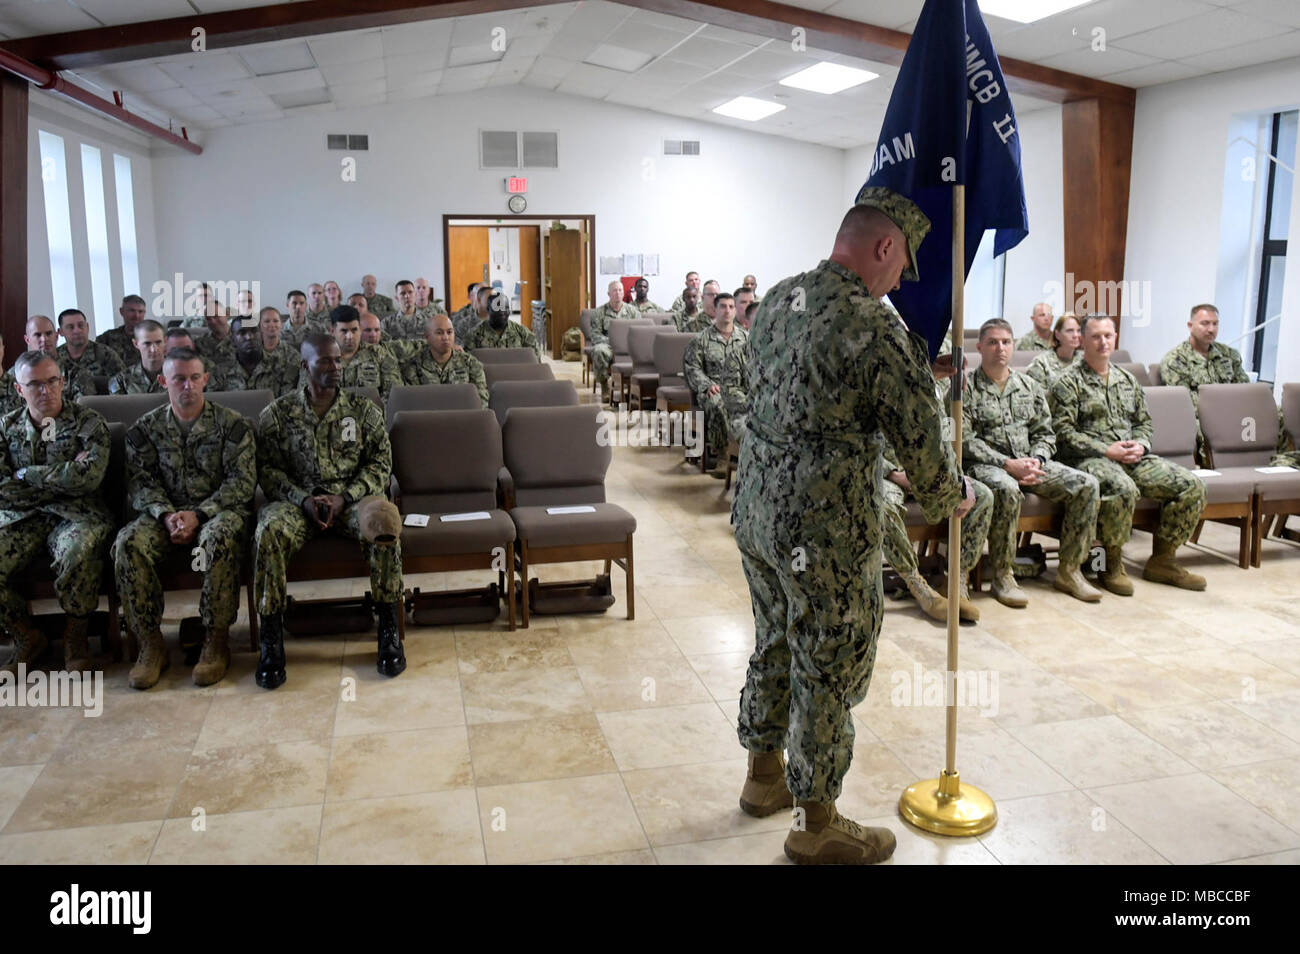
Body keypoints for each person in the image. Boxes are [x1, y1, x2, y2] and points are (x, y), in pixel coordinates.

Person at [734, 187, 972, 864]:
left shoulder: (777, 299)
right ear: (884, 247)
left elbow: (765, 393)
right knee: (829, 663)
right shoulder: (876, 329)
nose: (901, 281)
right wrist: (950, 493)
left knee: (774, 639)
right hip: (828, 534)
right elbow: (923, 448)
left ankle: (763, 776)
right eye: (902, 268)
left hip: (758, 514)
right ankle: (817, 822)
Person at [253, 334, 405, 688]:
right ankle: (271, 639)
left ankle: (388, 629)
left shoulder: (363, 410)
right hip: (299, 503)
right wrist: (303, 499)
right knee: (268, 532)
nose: (335, 367)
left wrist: (345, 497)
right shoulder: (277, 415)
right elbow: (268, 471)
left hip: (351, 502)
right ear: (305, 366)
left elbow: (381, 463)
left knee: (384, 521)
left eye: (338, 360)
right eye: (325, 361)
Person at [113, 347, 256, 689]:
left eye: (195, 378)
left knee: (219, 538)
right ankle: (150, 643)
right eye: (179, 379)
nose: (188, 386)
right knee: (128, 543)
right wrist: (166, 515)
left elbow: (242, 483)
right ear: (163, 381)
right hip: (164, 514)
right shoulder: (144, 430)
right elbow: (140, 483)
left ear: (206, 379)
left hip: (216, 512)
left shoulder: (232, 425)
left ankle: (215, 638)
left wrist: (199, 514)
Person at [1050, 314, 1207, 593]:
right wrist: (1105, 449)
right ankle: (1110, 565)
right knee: (1123, 488)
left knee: (1191, 484)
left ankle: (1163, 560)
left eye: (1108, 336)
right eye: (1096, 336)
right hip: (1089, 459)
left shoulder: (1126, 379)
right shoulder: (1068, 382)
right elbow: (1063, 433)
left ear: (1115, 339)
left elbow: (1143, 422)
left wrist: (1142, 444)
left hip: (1131, 456)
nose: (1103, 342)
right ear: (1083, 340)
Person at [964, 318, 1102, 605]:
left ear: (1013, 346)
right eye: (992, 342)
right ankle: (1003, 576)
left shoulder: (1029, 385)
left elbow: (1046, 434)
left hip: (1029, 462)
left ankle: (1070, 570)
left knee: (1086, 484)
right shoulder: (966, 388)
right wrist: (1007, 464)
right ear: (979, 347)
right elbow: (965, 441)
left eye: (1005, 342)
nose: (1000, 348)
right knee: (1007, 489)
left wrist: (1037, 460)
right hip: (988, 466)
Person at [0, 350, 114, 674]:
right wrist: (63, 474)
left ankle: (75, 637)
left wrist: (25, 474)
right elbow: (0, 487)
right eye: (34, 384)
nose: (45, 391)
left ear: (63, 382)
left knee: (77, 550)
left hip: (78, 513)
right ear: (19, 389)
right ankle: (25, 635)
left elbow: (89, 478)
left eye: (52, 381)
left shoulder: (88, 423)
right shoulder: (5, 428)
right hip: (22, 515)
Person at [877, 431, 991, 622]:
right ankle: (917, 585)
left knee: (982, 495)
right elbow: (863, 447)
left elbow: (946, 440)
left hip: (929, 474)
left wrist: (955, 476)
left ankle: (956, 581)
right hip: (890, 476)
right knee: (884, 505)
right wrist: (893, 474)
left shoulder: (934, 400)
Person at [683, 292, 749, 477]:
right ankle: (723, 455)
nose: (727, 311)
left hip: (739, 389)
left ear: (735, 310)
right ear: (715, 309)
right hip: (713, 390)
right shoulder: (701, 339)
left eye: (730, 306)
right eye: (723, 306)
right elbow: (692, 368)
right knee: (719, 404)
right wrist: (706, 385)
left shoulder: (745, 338)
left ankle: (748, 455)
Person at [392, 313, 489, 405]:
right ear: (427, 337)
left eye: (449, 332)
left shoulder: (470, 363)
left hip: (462, 417)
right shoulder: (415, 366)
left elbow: (481, 400)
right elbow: (413, 402)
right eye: (439, 333)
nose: (446, 337)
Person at [308, 305, 401, 398]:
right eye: (344, 331)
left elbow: (394, 394)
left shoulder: (378, 354)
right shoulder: (318, 358)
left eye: (354, 330)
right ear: (332, 331)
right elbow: (307, 395)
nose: (350, 336)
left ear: (360, 329)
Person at [17, 315, 97, 399]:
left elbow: (85, 407)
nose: (44, 339)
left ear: (56, 336)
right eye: (38, 335)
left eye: (49, 334)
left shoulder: (75, 372)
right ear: (27, 340)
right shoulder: (16, 374)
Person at [589, 280, 639, 393]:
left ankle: (636, 388)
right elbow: (595, 335)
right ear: (609, 294)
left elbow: (640, 332)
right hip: (609, 346)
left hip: (628, 346)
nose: (618, 293)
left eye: (620, 290)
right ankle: (604, 387)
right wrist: (613, 342)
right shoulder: (599, 312)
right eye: (614, 290)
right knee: (599, 351)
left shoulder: (632, 312)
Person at [230, 314, 297, 395]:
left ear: (262, 334)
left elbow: (290, 402)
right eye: (242, 333)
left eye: (254, 331)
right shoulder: (222, 373)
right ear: (233, 339)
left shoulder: (283, 367)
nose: (249, 337)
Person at [465, 293, 541, 356]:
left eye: (506, 308)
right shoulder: (475, 334)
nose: (502, 312)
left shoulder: (522, 332)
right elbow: (468, 362)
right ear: (488, 309)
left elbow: (535, 358)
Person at [57, 308, 124, 379]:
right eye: (71, 327)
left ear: (87, 327)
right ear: (61, 332)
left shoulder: (105, 355)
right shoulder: (54, 357)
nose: (77, 331)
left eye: (81, 325)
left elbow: (124, 384)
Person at [108, 319, 167, 394]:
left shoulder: (178, 376)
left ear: (165, 341)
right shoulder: (121, 381)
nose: (153, 349)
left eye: (158, 342)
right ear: (136, 344)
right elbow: (117, 405)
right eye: (147, 344)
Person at [1024, 312, 1081, 389]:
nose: (1075, 335)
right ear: (1057, 334)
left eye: (1078, 331)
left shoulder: (1086, 360)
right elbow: (1035, 396)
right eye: (1069, 331)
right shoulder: (1041, 363)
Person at [97, 294, 148, 365]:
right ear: (122, 311)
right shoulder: (107, 338)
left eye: (140, 311)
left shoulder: (151, 337)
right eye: (132, 311)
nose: (136, 316)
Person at [195, 310, 239, 386]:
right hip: (210, 386)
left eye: (216, 316)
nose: (213, 321)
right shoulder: (199, 343)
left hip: (237, 384)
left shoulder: (241, 338)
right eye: (208, 318)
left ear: (226, 315)